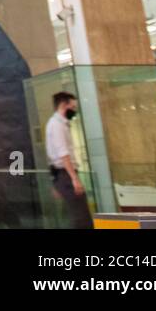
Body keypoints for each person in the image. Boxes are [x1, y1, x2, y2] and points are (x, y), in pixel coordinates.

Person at [45, 91, 92, 228]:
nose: (74, 110)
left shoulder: (59, 124)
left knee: (78, 215)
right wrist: (74, 178)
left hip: (63, 175)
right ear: (64, 105)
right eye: (73, 107)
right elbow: (63, 154)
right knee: (81, 217)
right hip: (66, 175)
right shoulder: (57, 125)